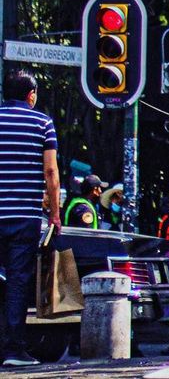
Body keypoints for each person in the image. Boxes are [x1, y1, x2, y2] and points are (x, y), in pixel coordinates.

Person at [0, 70, 60, 367]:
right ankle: (12, 350)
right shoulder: (42, 123)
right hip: (24, 217)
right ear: (31, 94)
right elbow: (50, 172)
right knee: (17, 282)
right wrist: (55, 214)